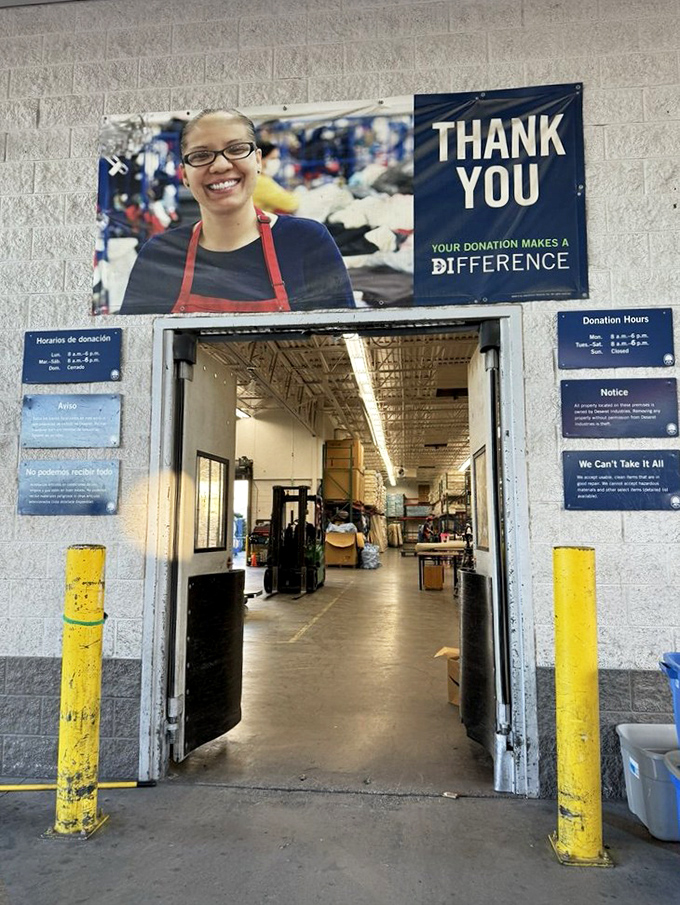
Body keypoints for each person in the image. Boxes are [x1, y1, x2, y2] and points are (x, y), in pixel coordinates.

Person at [119, 108, 355, 314]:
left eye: (236, 149)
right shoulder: (159, 255)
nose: (221, 165)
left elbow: (342, 344)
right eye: (201, 155)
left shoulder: (307, 241)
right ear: (184, 175)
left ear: (258, 161)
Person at [252, 141, 299, 215]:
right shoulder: (261, 181)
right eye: (273, 158)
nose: (276, 161)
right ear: (259, 158)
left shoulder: (259, 178)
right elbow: (291, 204)